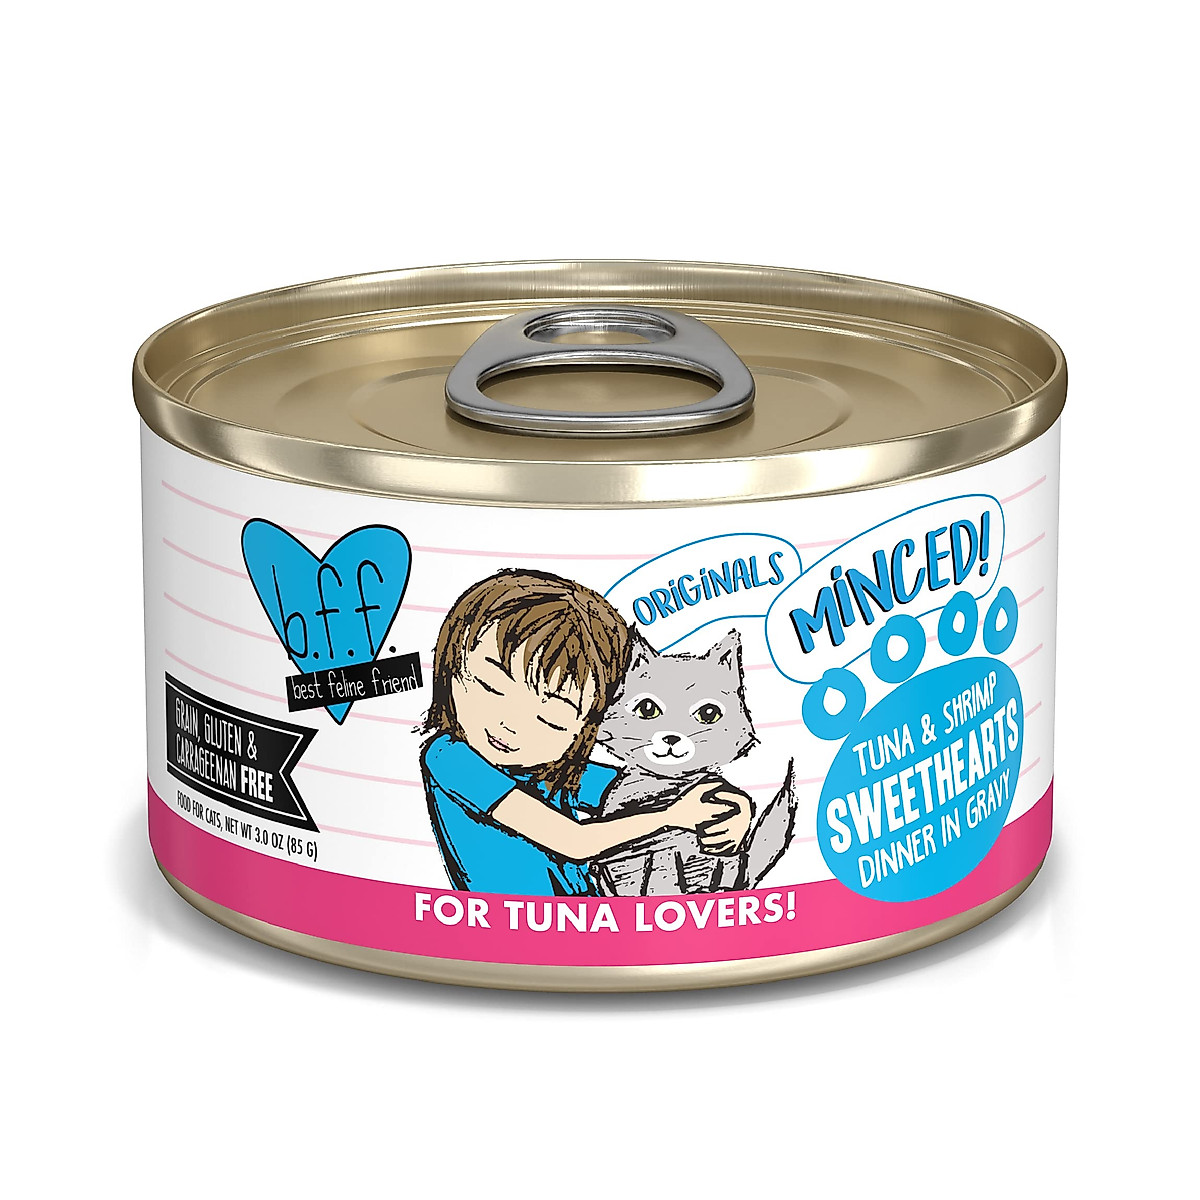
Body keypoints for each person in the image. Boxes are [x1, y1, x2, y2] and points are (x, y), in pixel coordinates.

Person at [420, 569, 750, 894]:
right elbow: (572, 841)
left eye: (551, 719)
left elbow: (648, 788)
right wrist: (671, 816)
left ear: (587, 727)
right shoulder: (450, 757)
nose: (509, 725)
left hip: (587, 910)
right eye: (491, 686)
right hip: (512, 919)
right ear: (451, 667)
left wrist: (731, 807)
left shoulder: (554, 767)